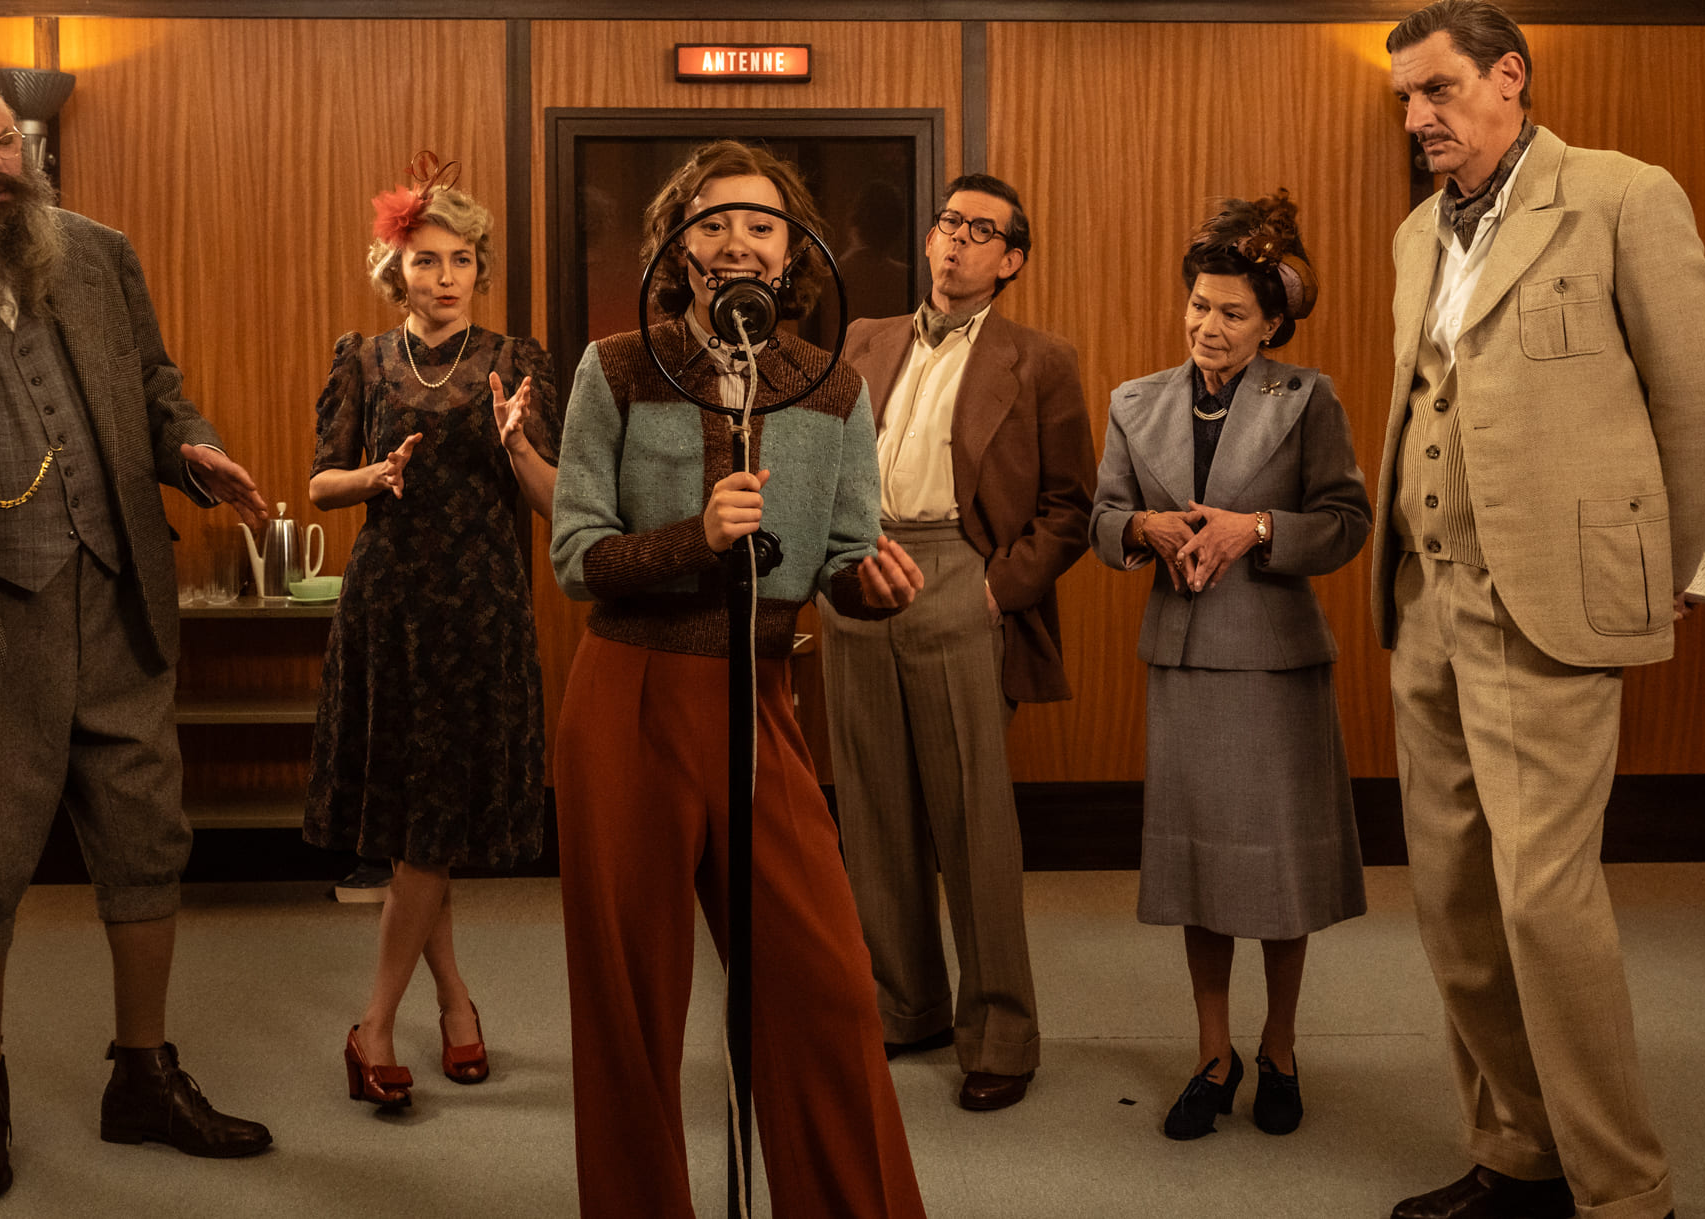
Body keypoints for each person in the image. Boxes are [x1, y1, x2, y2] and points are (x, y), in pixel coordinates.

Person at [0, 71, 272, 1203]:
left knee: (147, 839)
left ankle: (145, 1075)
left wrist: (192, 450)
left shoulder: (95, 252)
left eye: (6, 144)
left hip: (117, 593)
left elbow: (155, 389)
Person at [1377, 0, 1705, 1219]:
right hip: (1426, 597)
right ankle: (1516, 1149)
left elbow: (1693, 401)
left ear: (1508, 77)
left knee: (1541, 900)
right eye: (1405, 98)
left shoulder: (1621, 196)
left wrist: (1656, 567)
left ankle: (1624, 1188)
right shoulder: (1415, 233)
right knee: (1451, 898)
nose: (1417, 116)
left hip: (1547, 604)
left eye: (1436, 89)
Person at [549, 139, 928, 1218]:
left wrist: (869, 584)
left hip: (761, 702)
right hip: (627, 698)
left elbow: (843, 553)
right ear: (677, 247)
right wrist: (693, 536)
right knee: (632, 1007)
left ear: (792, 251)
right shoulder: (616, 366)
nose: (736, 241)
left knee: (828, 987)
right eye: (711, 221)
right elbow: (576, 555)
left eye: (761, 224)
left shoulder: (834, 386)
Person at [1089, 191, 1371, 1141]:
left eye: (1233, 313)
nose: (1209, 326)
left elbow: (1347, 522)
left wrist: (1256, 528)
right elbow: (1102, 519)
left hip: (1277, 662)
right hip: (1184, 660)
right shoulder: (1135, 401)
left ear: (1272, 324)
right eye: (1199, 306)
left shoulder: (1309, 398)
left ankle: (1279, 1046)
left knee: (1279, 870)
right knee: (1199, 871)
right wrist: (1144, 526)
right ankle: (1214, 1053)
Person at [819, 172, 1094, 1112]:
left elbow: (1069, 505)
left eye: (981, 232)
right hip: (862, 565)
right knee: (872, 812)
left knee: (974, 822)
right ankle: (905, 1007)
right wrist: (836, 555)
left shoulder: (1039, 359)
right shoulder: (864, 339)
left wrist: (993, 588)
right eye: (948, 223)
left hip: (959, 572)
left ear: (1010, 260)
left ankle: (1001, 1034)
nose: (956, 241)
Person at [302, 156, 558, 1110]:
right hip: (390, 609)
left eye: (460, 260)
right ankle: (443, 1006)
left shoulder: (515, 363)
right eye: (425, 261)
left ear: (479, 267)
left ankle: (377, 1021)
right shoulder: (364, 360)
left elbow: (554, 502)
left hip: (481, 609)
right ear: (396, 270)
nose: (444, 277)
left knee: (431, 825)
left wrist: (517, 443)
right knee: (424, 825)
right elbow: (321, 484)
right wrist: (376, 475)